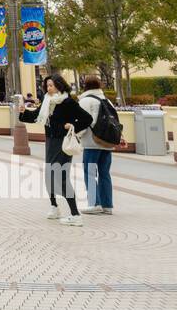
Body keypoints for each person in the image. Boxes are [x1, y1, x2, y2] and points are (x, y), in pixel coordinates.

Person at [19, 74, 92, 226]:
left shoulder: (67, 102)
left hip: (63, 143)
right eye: (47, 86)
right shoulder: (47, 101)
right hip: (51, 142)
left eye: (51, 85)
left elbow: (87, 119)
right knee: (49, 175)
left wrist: (72, 126)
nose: (48, 88)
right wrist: (23, 111)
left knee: (61, 176)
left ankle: (75, 214)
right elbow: (34, 116)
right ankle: (54, 207)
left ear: (59, 85)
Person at [78, 75, 115, 215]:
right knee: (105, 173)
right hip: (106, 143)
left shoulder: (85, 101)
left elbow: (82, 122)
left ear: (85, 86)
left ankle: (94, 203)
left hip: (91, 144)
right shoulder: (107, 100)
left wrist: (76, 135)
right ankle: (107, 205)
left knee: (90, 173)